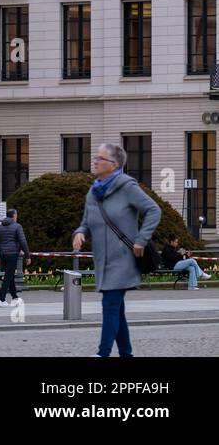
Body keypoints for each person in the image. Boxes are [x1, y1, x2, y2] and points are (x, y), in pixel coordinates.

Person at [73, 142, 162, 358]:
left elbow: (153, 210)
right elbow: (86, 220)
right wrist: (80, 232)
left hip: (123, 259)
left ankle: (102, 354)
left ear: (113, 164)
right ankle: (126, 354)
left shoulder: (127, 186)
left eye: (99, 158)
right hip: (103, 260)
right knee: (117, 311)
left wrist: (141, 239)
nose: (94, 161)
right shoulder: (94, 191)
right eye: (95, 157)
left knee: (110, 305)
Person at [0, 207, 31, 306]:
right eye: (16, 215)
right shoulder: (17, 226)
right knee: (8, 276)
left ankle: (15, 297)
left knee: (10, 275)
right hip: (12, 254)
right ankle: (1, 299)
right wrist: (27, 256)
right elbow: (23, 241)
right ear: (14, 216)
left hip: (3, 254)